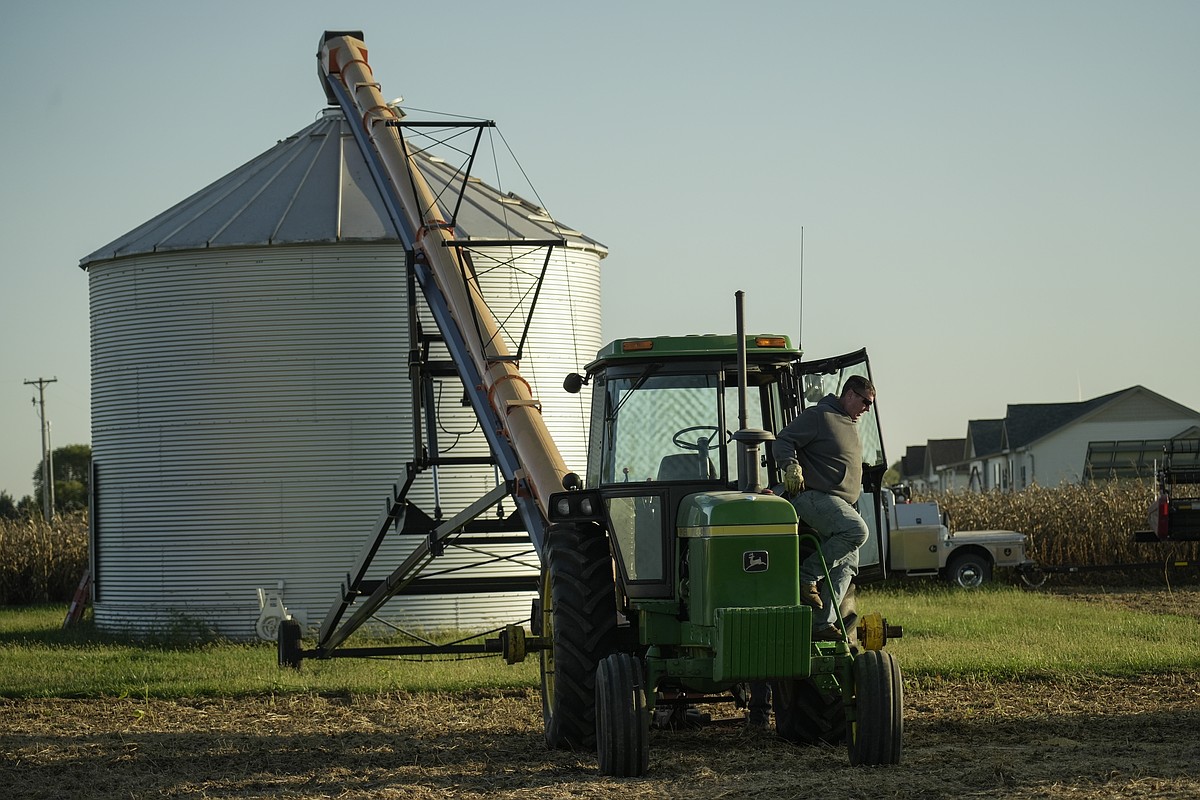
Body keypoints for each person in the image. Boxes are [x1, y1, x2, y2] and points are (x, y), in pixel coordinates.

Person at [773, 374, 875, 640]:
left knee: (847, 565)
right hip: (812, 496)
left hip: (840, 502)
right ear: (850, 394)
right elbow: (783, 439)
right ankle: (807, 575)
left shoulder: (849, 422)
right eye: (865, 402)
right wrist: (790, 465)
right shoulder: (819, 415)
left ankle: (821, 624)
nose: (867, 408)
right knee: (856, 532)